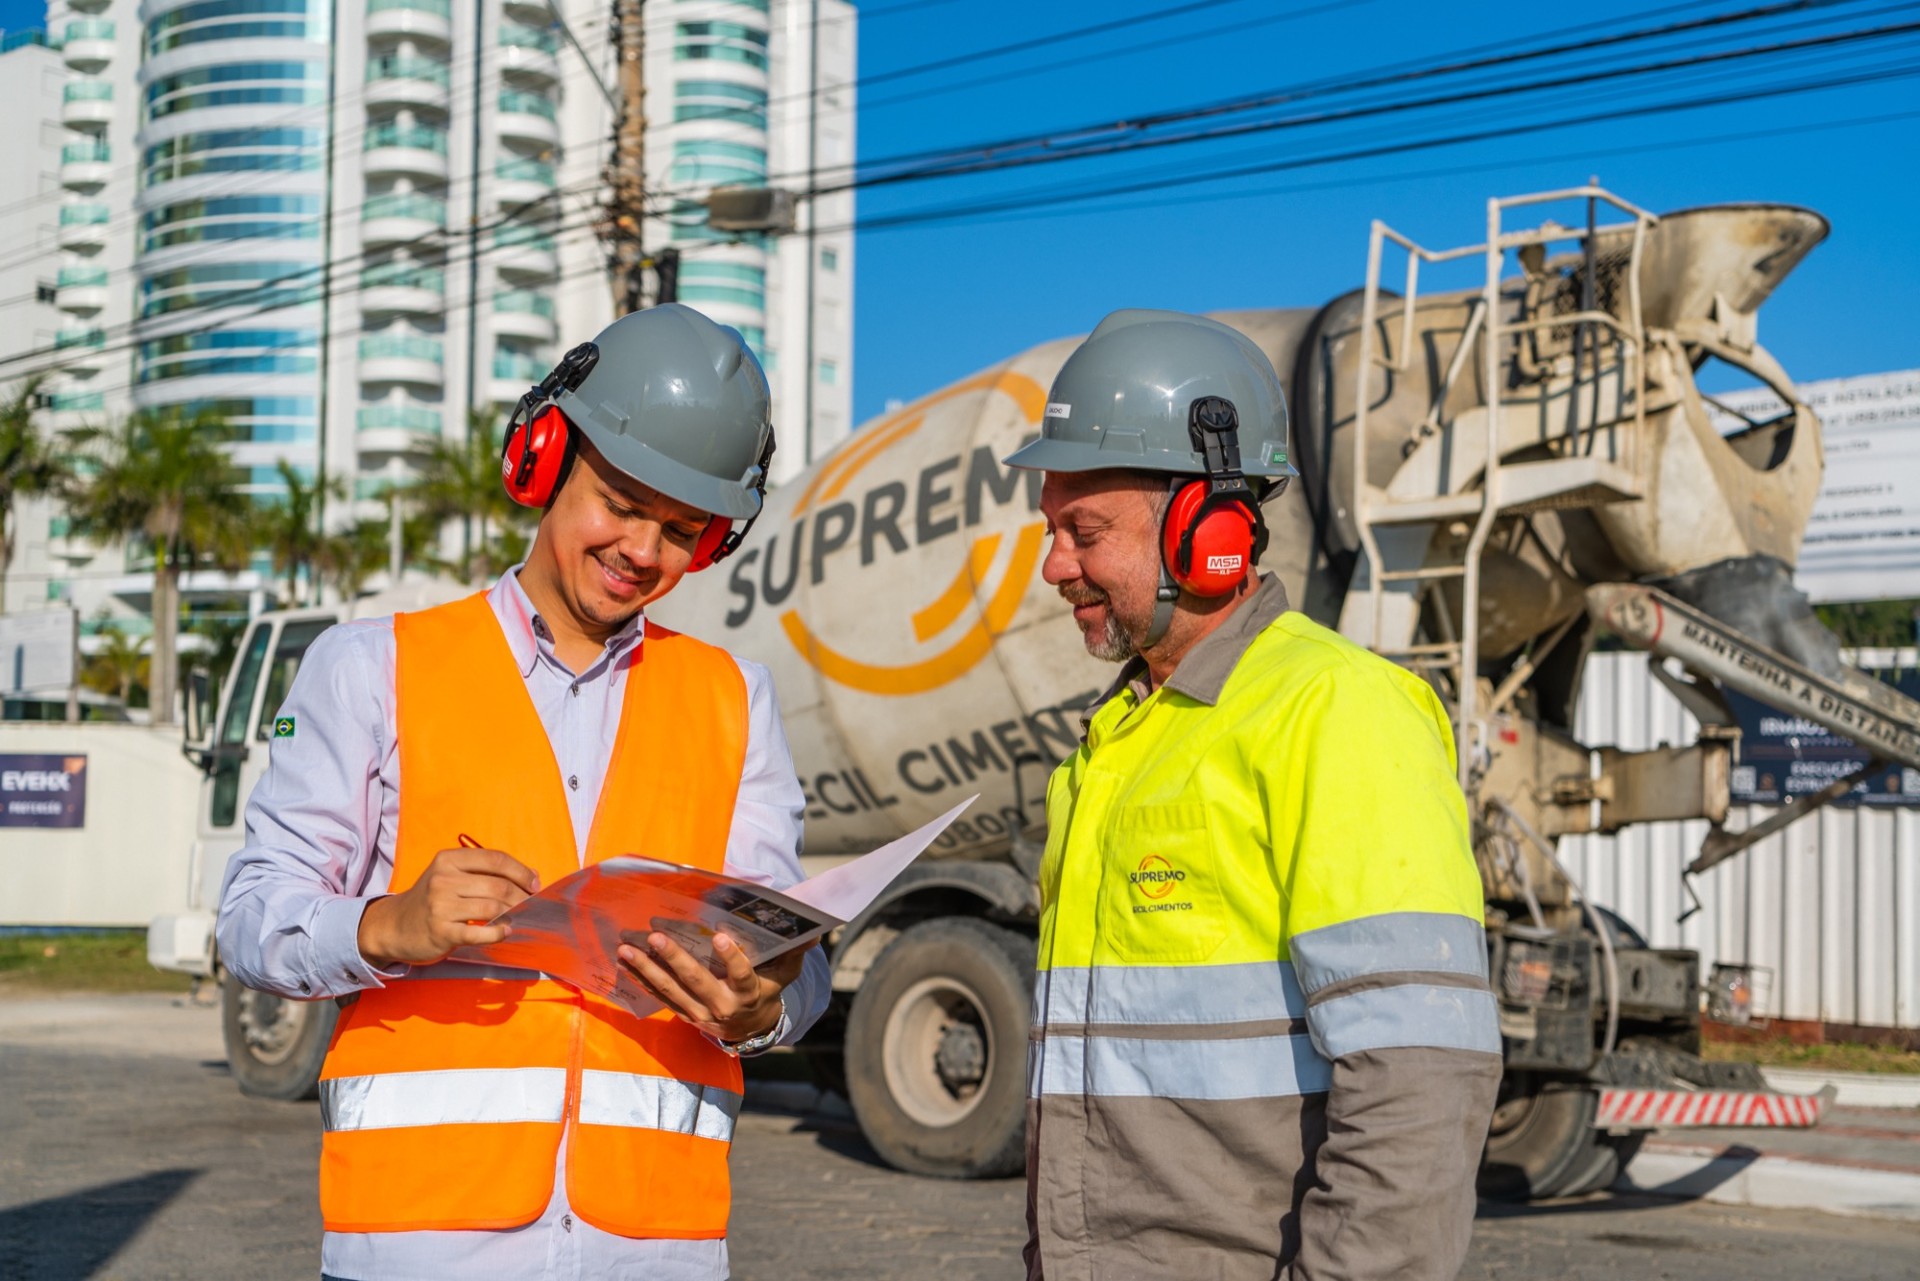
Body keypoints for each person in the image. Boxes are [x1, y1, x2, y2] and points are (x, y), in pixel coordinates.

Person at [217, 304, 828, 1281]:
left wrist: (759, 1007)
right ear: (547, 457)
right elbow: (250, 923)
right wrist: (388, 925)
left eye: (682, 529)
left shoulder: (735, 701)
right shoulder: (371, 669)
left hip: (654, 1248)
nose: (643, 549)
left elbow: (791, 960)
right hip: (418, 1244)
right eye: (621, 502)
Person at [1004, 309, 1501, 1281]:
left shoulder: (1337, 710)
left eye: (1084, 530)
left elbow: (1419, 1094)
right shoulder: (1122, 738)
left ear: (1210, 528)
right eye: (1051, 529)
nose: (1055, 565)